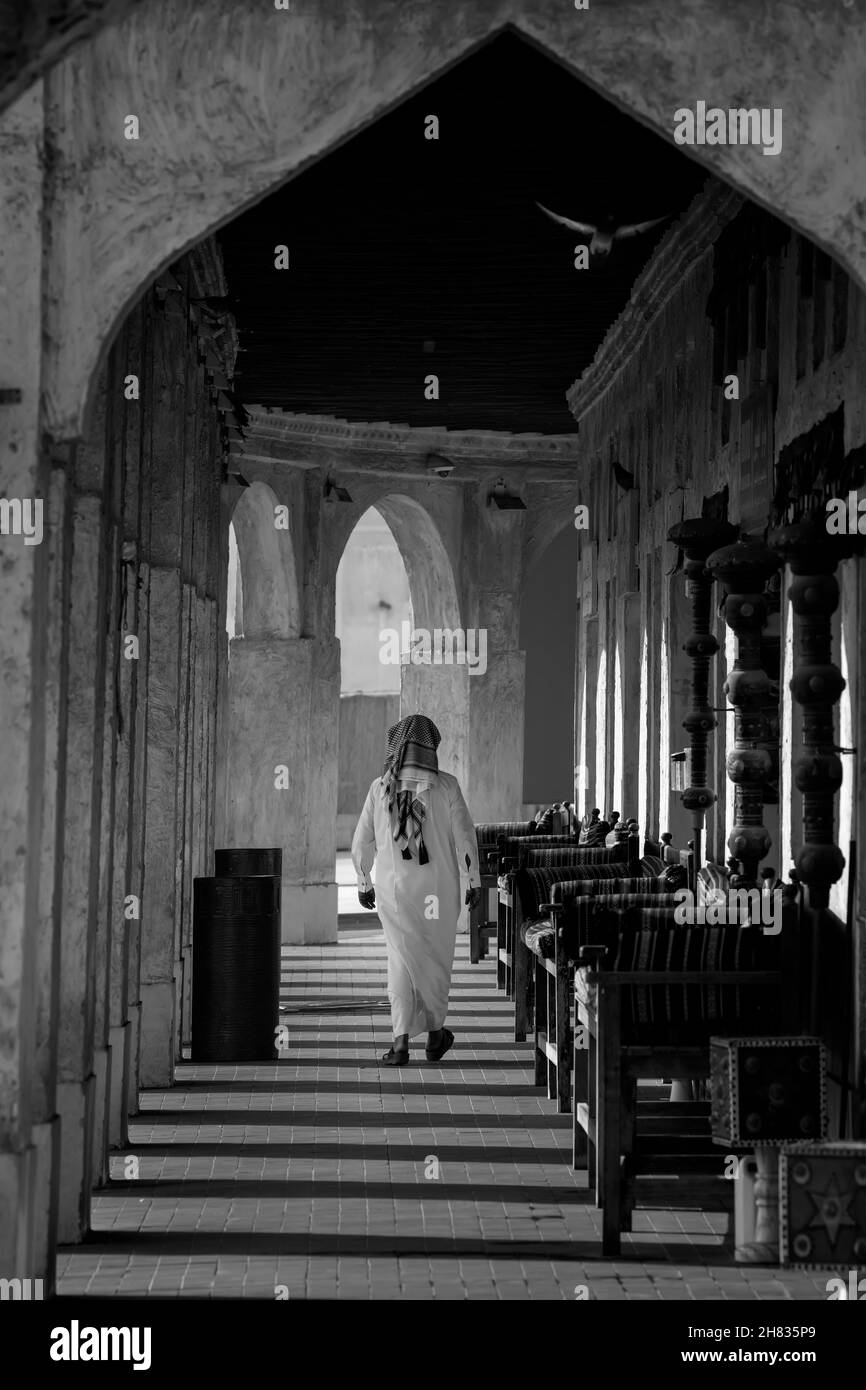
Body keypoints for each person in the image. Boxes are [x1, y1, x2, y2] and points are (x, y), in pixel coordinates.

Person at [351, 713, 481, 1066]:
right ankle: (436, 1033)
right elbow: (466, 839)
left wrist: (363, 880)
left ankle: (401, 1043)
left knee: (400, 961)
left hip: (395, 894)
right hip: (438, 895)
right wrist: (473, 881)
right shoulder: (448, 786)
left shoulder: (380, 788)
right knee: (435, 963)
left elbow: (363, 841)